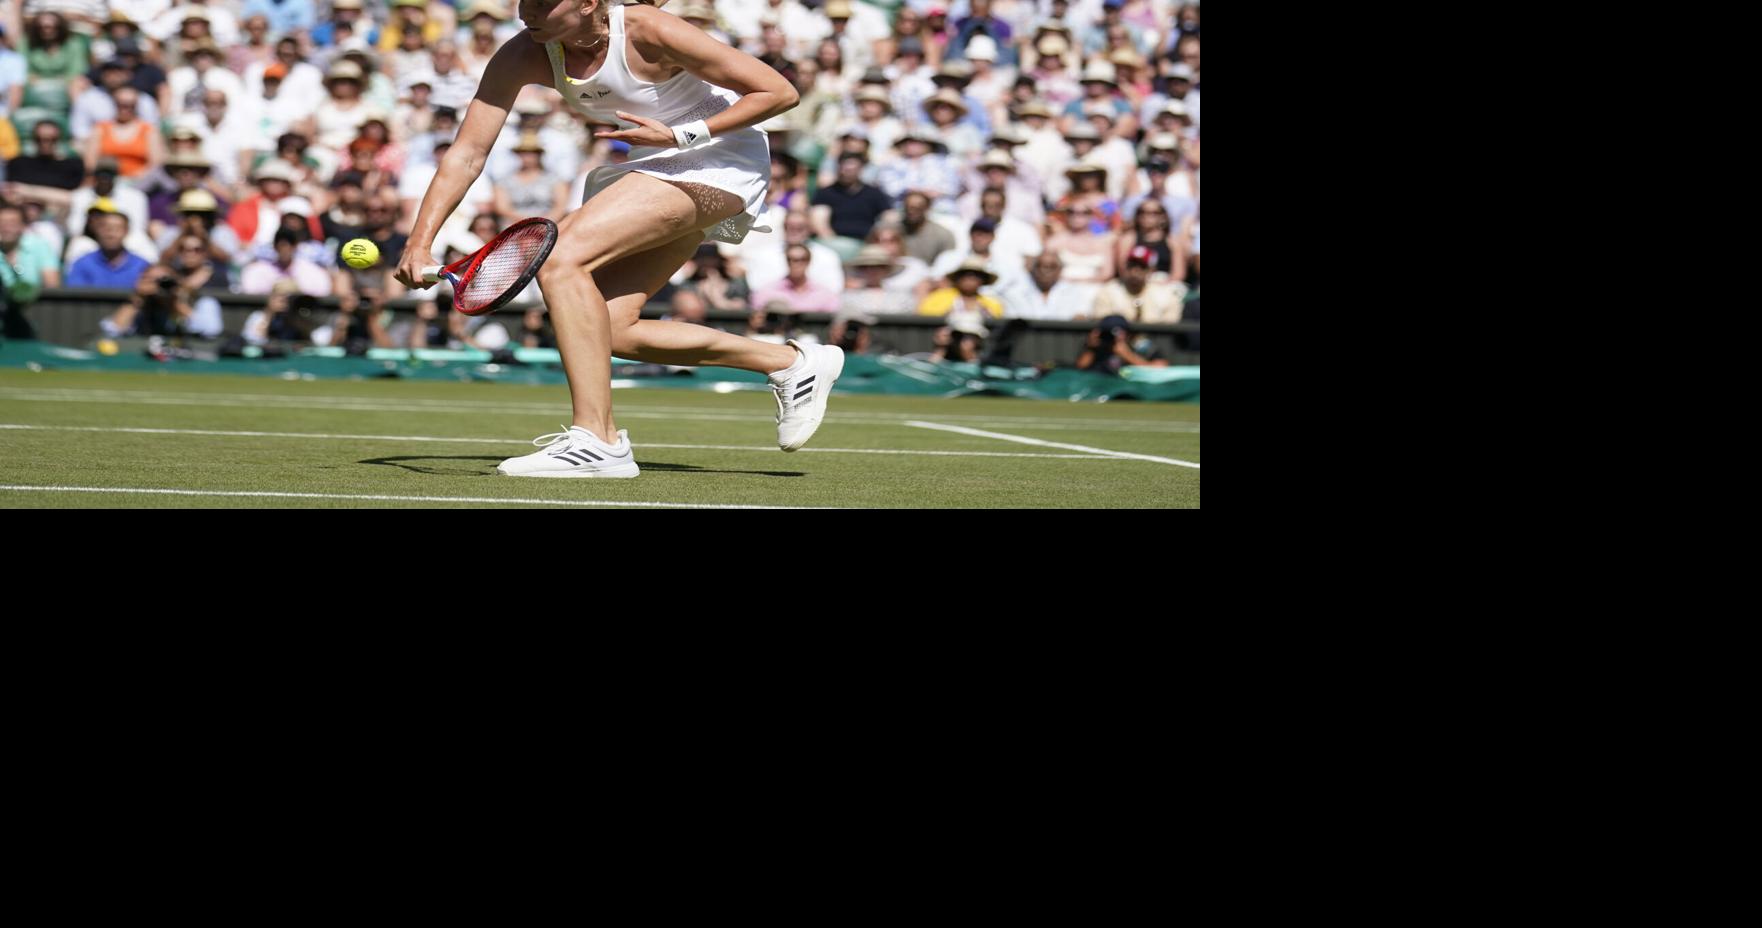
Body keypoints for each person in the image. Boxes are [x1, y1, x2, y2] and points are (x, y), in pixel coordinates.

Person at [396, 0, 842, 478]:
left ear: (589, 4)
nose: (529, 10)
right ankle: (791, 363)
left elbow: (778, 91)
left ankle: (598, 440)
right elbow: (467, 153)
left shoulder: (649, 30)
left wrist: (682, 135)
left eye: (545, 2)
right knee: (607, 328)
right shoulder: (523, 53)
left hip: (719, 158)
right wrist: (419, 241)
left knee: (561, 258)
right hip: (652, 164)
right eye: (525, 0)